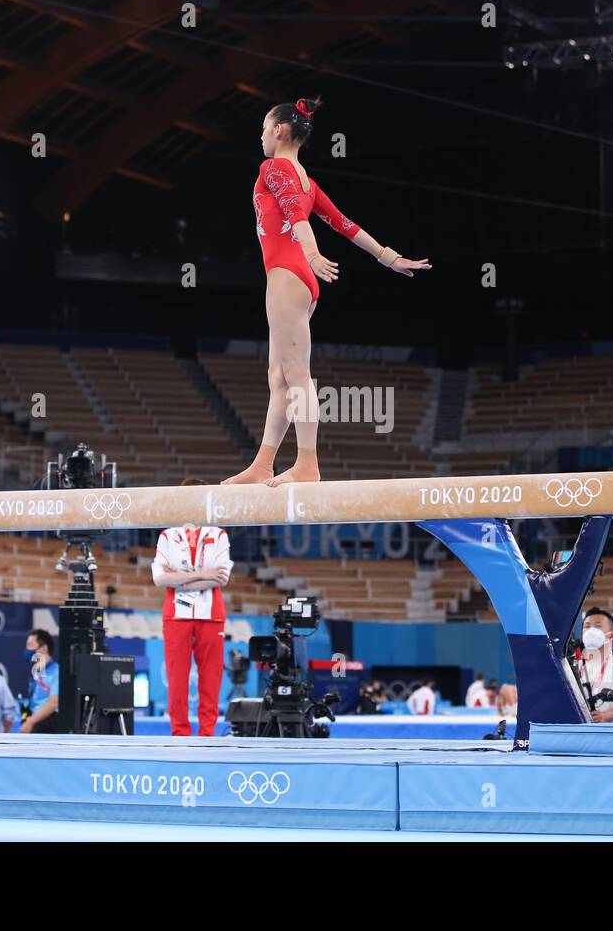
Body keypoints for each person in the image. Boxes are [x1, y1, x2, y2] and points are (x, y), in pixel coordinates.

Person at [223, 97, 430, 486]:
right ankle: (263, 463)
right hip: (297, 276)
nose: (262, 137)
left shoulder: (274, 168)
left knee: (297, 374)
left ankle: (306, 463)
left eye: (264, 129)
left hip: (288, 272)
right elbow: (344, 223)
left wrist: (312, 253)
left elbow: (294, 214)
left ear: (280, 130)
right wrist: (389, 257)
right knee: (279, 377)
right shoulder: (307, 181)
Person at [152, 479, 233, 736]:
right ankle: (180, 733)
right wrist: (204, 575)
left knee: (211, 679)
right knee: (177, 679)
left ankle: (207, 733)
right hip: (177, 615)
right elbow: (159, 579)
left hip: (211, 615)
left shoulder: (218, 534)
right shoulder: (168, 535)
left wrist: (180, 579)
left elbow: (222, 578)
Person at [19, 629, 59, 733]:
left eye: (30, 645)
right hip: (34, 719)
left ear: (43, 648)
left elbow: (54, 702)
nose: (27, 649)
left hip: (48, 724)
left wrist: (31, 721)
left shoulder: (57, 672)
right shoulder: (36, 672)